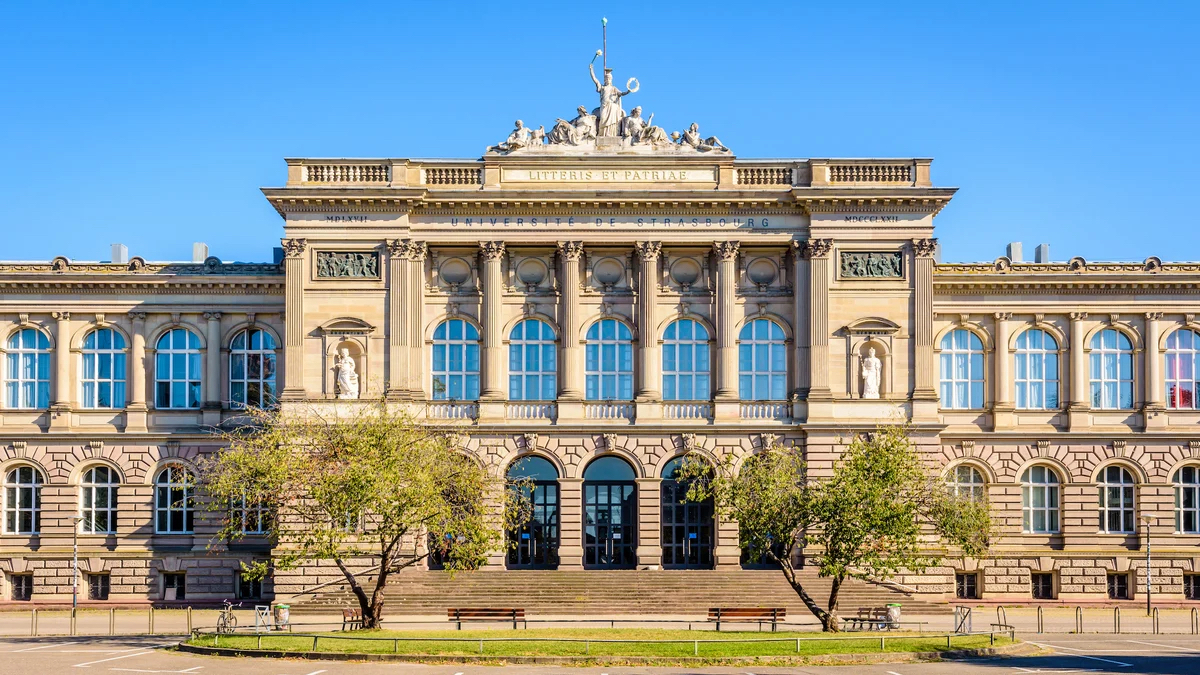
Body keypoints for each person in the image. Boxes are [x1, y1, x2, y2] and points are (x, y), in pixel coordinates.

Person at [588, 64, 634, 137]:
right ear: (605, 80)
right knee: (603, 120)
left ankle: (611, 134)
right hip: (604, 106)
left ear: (611, 80)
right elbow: (595, 80)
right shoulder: (602, 87)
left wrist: (629, 91)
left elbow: (621, 93)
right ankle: (602, 134)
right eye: (606, 79)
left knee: (613, 121)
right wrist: (591, 70)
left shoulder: (614, 88)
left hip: (612, 106)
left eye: (609, 79)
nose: (608, 80)